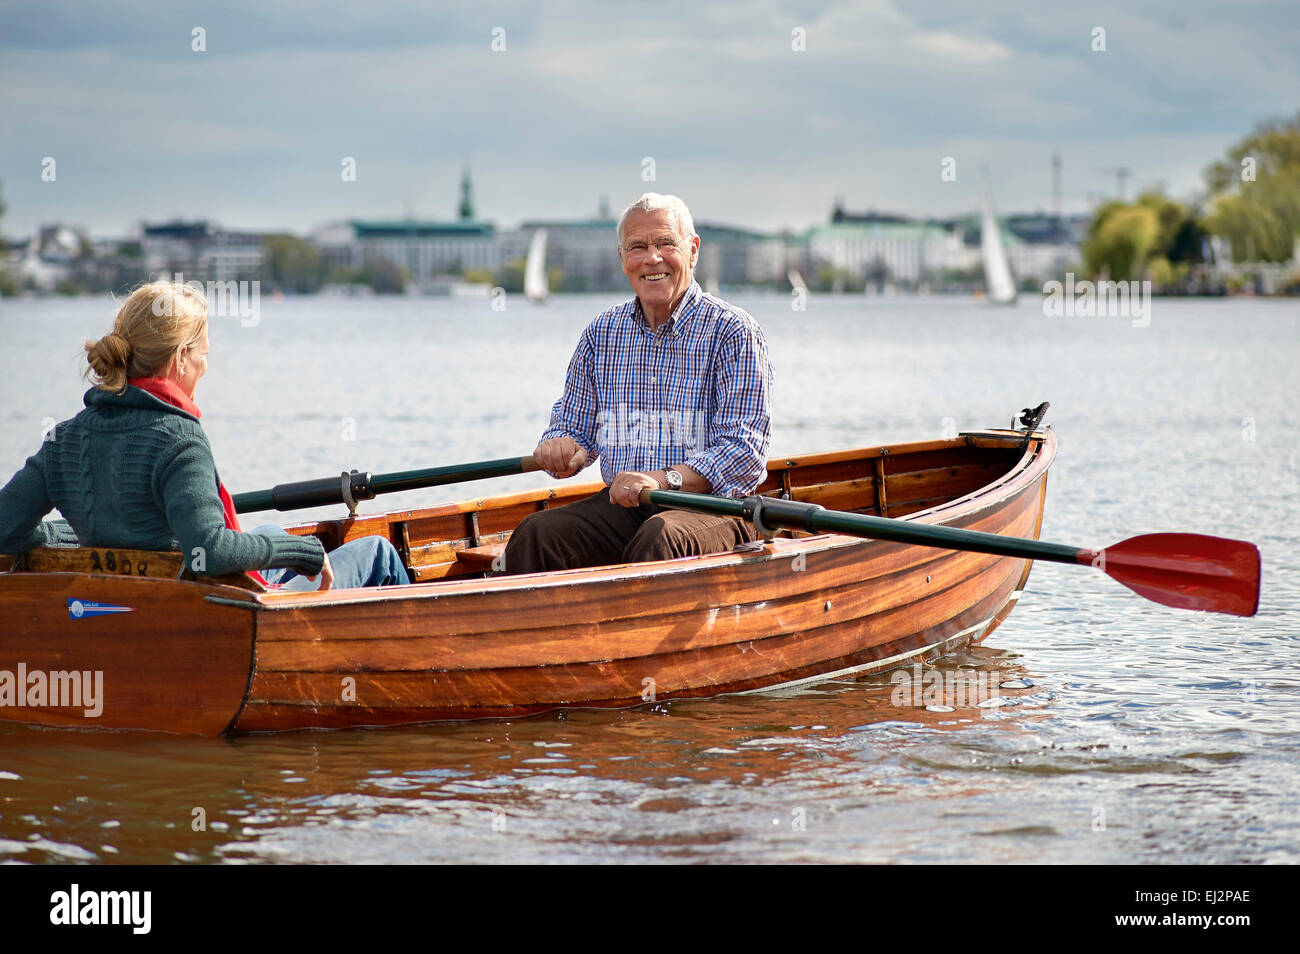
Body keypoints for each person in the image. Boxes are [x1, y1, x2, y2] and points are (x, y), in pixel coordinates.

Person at [0, 281, 409, 590]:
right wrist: (304, 553)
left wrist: (69, 536)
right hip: (210, 614)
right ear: (180, 359)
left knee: (268, 534)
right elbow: (208, 552)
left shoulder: (65, 439)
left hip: (131, 605)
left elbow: (6, 527)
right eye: (204, 355)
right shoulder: (178, 439)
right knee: (379, 552)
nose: (206, 368)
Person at [500, 193, 773, 574]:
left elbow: (744, 454)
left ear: (692, 251)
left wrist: (661, 480)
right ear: (622, 259)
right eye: (638, 247)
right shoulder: (602, 333)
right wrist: (562, 449)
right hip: (626, 508)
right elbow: (575, 431)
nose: (652, 258)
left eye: (665, 244)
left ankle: (625, 635)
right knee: (536, 534)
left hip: (719, 508)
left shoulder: (733, 331)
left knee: (658, 538)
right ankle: (540, 633)